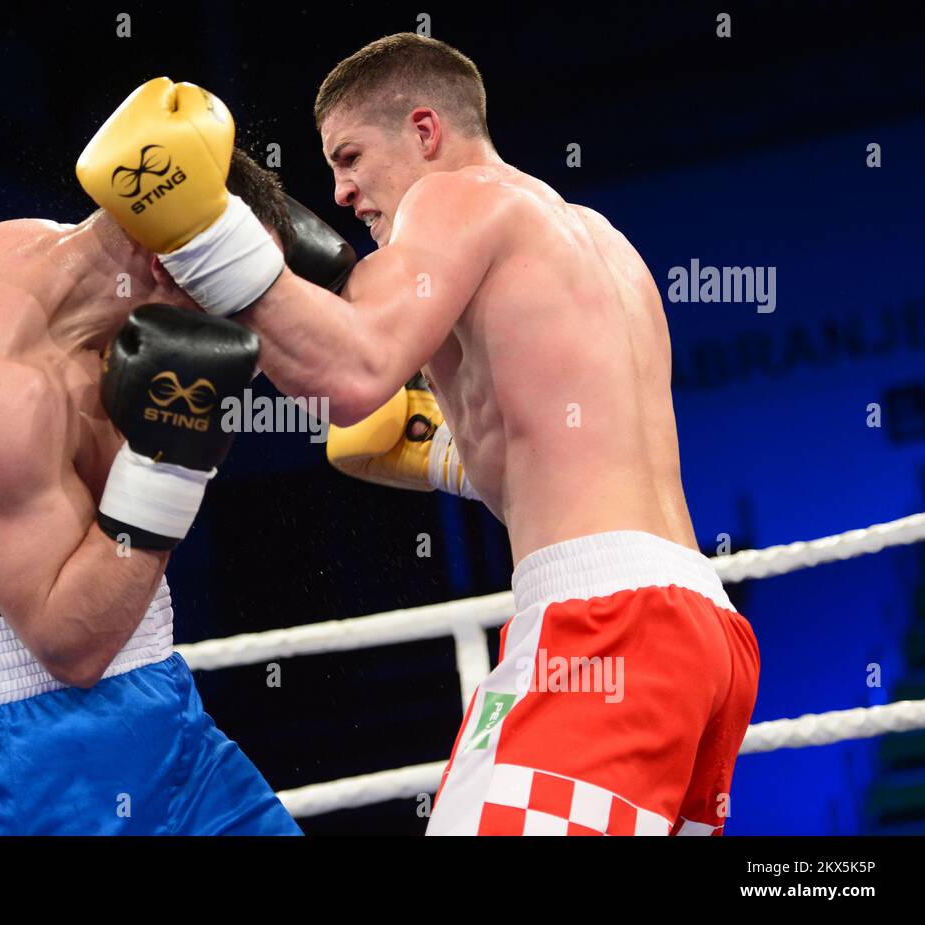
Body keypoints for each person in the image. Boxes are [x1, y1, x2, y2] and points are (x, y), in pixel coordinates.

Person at [76, 35, 760, 836]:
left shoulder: (453, 199)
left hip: (603, 623)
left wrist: (206, 232)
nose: (339, 191)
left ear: (426, 131)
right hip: (701, 628)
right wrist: (447, 449)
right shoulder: (593, 238)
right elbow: (518, 435)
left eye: (350, 155)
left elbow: (357, 370)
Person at [0, 143, 350, 835]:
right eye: (239, 301)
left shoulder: (33, 252)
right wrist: (173, 462)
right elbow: (71, 645)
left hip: (161, 703)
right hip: (24, 755)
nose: (252, 333)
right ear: (164, 265)